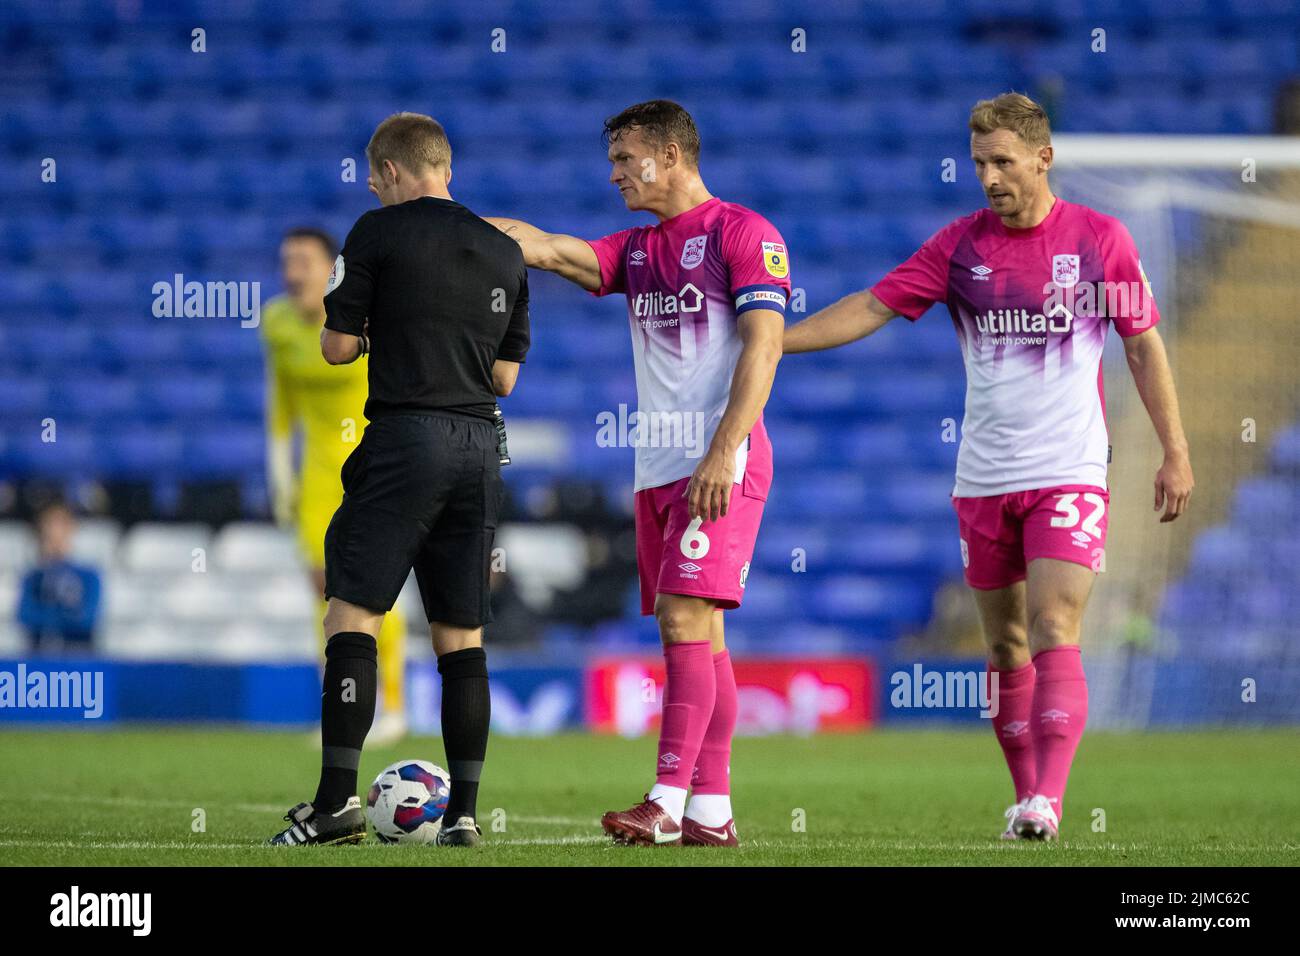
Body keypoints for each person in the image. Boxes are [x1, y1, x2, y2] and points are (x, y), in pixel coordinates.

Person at [783, 92, 1194, 841]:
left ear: (1043, 158)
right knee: (1004, 647)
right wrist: (773, 343)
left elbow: (1141, 342)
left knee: (1052, 625)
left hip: (1068, 469)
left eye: (1002, 161)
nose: (988, 177)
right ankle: (1025, 800)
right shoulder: (959, 246)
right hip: (982, 477)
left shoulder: (1101, 240)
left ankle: (1051, 799)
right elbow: (871, 306)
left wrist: (1176, 451)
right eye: (979, 164)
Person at [487, 99, 787, 847]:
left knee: (685, 621)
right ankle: (711, 813)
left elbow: (764, 347)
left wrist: (724, 449)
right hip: (657, 469)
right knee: (701, 637)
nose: (615, 174)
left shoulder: (744, 234)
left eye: (627, 159)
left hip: (721, 457)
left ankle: (664, 800)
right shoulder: (641, 249)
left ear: (673, 155)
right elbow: (550, 250)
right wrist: (444, 223)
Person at [269, 112, 530, 847]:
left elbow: (336, 346)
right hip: (481, 446)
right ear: (444, 166)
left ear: (386, 171)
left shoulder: (375, 233)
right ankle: (466, 817)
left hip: (405, 439)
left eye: (373, 177)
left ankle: (334, 807)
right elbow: (504, 375)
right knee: (461, 638)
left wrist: (391, 327)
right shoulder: (504, 249)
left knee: (351, 616)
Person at [260, 226, 408, 745]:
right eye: (287, 260)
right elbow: (281, 400)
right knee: (324, 593)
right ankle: (340, 703)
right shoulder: (276, 322)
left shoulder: (364, 313)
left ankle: (391, 704)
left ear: (332, 269)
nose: (292, 271)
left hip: (373, 460)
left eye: (303, 260)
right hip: (318, 474)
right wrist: (279, 468)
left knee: (373, 588)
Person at [18, 499, 101, 654]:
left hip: (78, 660)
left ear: (72, 529)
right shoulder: (34, 576)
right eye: (49, 525)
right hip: (38, 661)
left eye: (61, 525)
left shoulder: (89, 575)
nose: (55, 533)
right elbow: (25, 616)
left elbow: (87, 620)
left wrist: (51, 619)